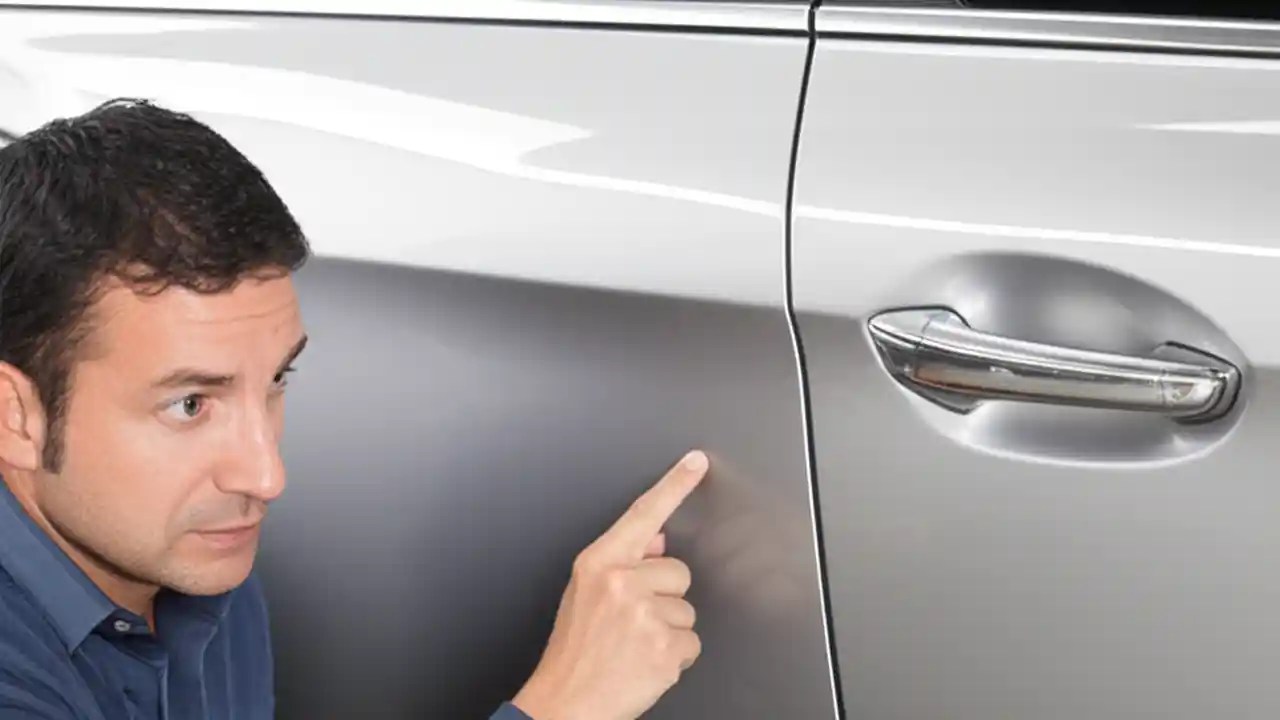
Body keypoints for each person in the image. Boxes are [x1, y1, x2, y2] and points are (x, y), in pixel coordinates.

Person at [0, 99, 706, 720]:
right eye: (190, 405)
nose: (266, 476)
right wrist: (565, 707)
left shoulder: (192, 570)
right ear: (16, 415)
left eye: (277, 380)